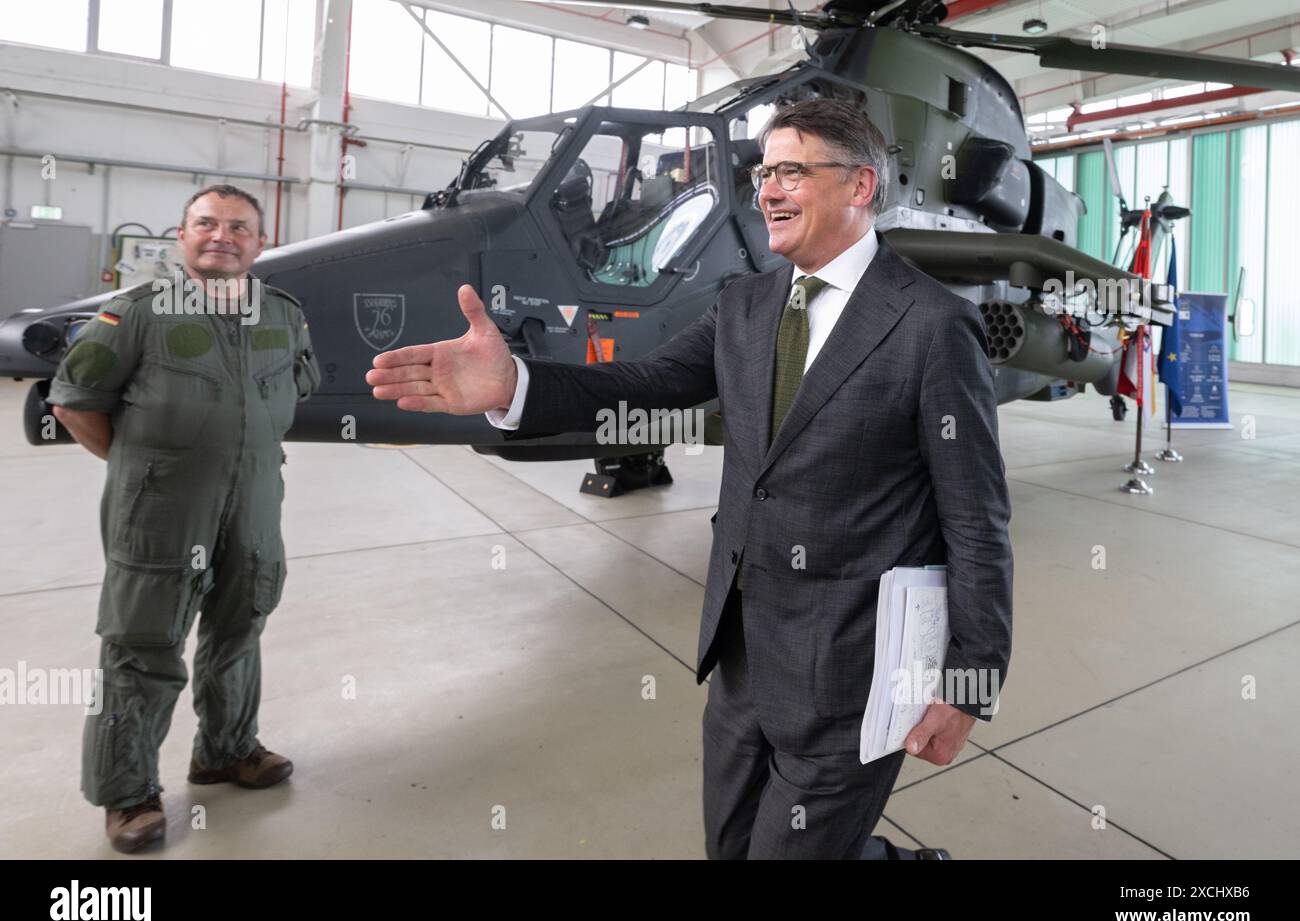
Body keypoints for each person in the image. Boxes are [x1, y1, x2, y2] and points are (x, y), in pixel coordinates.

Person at [367, 98, 1013, 859]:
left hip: (856, 669)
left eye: (792, 172)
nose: (767, 190)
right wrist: (518, 386)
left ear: (861, 186)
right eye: (764, 172)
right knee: (730, 850)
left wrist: (969, 683)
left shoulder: (932, 324)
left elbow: (977, 520)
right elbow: (646, 383)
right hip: (741, 656)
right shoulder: (744, 303)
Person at [49, 184, 321, 853]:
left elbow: (300, 385)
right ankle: (127, 793)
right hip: (162, 511)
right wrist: (145, 468)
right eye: (206, 224)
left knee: (241, 624)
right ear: (182, 235)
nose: (221, 235)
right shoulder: (135, 312)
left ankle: (226, 752)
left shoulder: (284, 314)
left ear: (260, 243)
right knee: (142, 645)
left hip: (254, 500)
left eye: (238, 227)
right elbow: (74, 400)